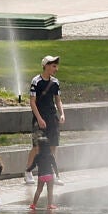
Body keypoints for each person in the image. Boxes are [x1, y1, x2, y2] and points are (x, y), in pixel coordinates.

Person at [25, 55, 65, 184]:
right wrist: (39, 119)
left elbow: (58, 100)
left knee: (53, 145)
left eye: (56, 66)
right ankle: (28, 172)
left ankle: (53, 174)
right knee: (37, 146)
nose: (56, 69)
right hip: (40, 118)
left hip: (52, 117)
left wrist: (62, 114)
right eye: (53, 66)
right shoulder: (36, 81)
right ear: (46, 66)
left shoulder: (55, 82)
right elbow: (32, 102)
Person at [28, 137, 57, 211]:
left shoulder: (37, 156)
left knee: (38, 190)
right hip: (50, 175)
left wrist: (28, 170)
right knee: (50, 191)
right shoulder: (51, 155)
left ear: (40, 147)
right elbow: (54, 165)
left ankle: (33, 205)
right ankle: (50, 205)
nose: (37, 147)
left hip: (41, 176)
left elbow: (33, 165)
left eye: (38, 145)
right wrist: (57, 173)